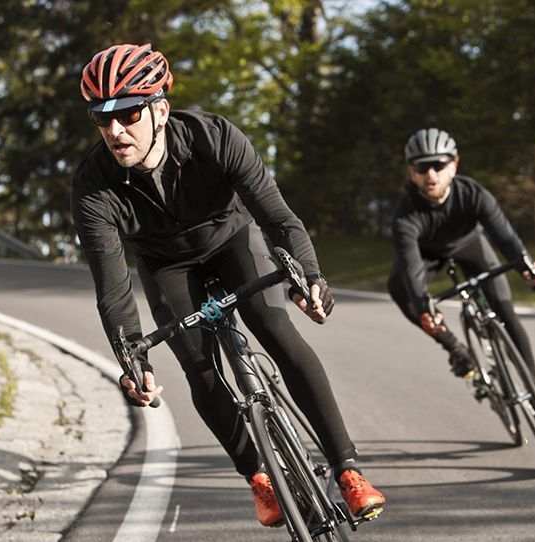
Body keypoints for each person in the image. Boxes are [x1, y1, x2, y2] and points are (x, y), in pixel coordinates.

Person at [72, 43, 386, 527]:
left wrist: (309, 277)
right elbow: (112, 287)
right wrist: (133, 358)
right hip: (166, 266)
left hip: (233, 240)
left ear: (160, 108)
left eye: (128, 113)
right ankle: (260, 479)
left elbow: (279, 219)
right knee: (199, 368)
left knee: (273, 325)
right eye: (101, 118)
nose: (114, 130)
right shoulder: (93, 187)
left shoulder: (214, 137)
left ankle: (348, 470)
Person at [387, 127, 535, 425]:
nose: (431, 174)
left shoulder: (473, 194)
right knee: (399, 287)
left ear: (454, 164)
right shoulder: (406, 215)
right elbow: (412, 266)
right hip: (427, 254)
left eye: (439, 165)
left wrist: (526, 266)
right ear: (412, 172)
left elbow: (505, 237)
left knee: (506, 312)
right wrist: (423, 307)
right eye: (421, 166)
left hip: (471, 246)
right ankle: (455, 349)